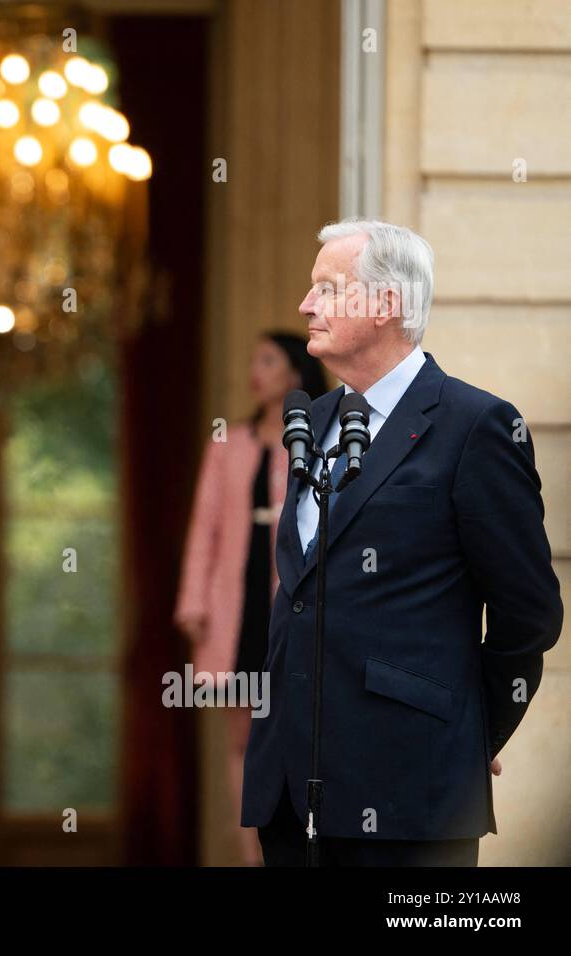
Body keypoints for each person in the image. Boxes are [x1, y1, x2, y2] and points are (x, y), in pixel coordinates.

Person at [242, 218, 563, 866]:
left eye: (328, 289)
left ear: (387, 303)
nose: (307, 306)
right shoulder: (312, 418)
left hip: (410, 796)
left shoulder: (476, 426)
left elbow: (528, 614)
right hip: (289, 796)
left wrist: (468, 734)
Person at [174, 331, 327, 865]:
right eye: (252, 359)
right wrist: (193, 603)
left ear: (295, 374)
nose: (255, 370)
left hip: (297, 603)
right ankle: (251, 855)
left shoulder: (320, 437)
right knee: (242, 740)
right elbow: (204, 527)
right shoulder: (228, 443)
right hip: (234, 608)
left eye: (268, 360)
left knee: (300, 736)